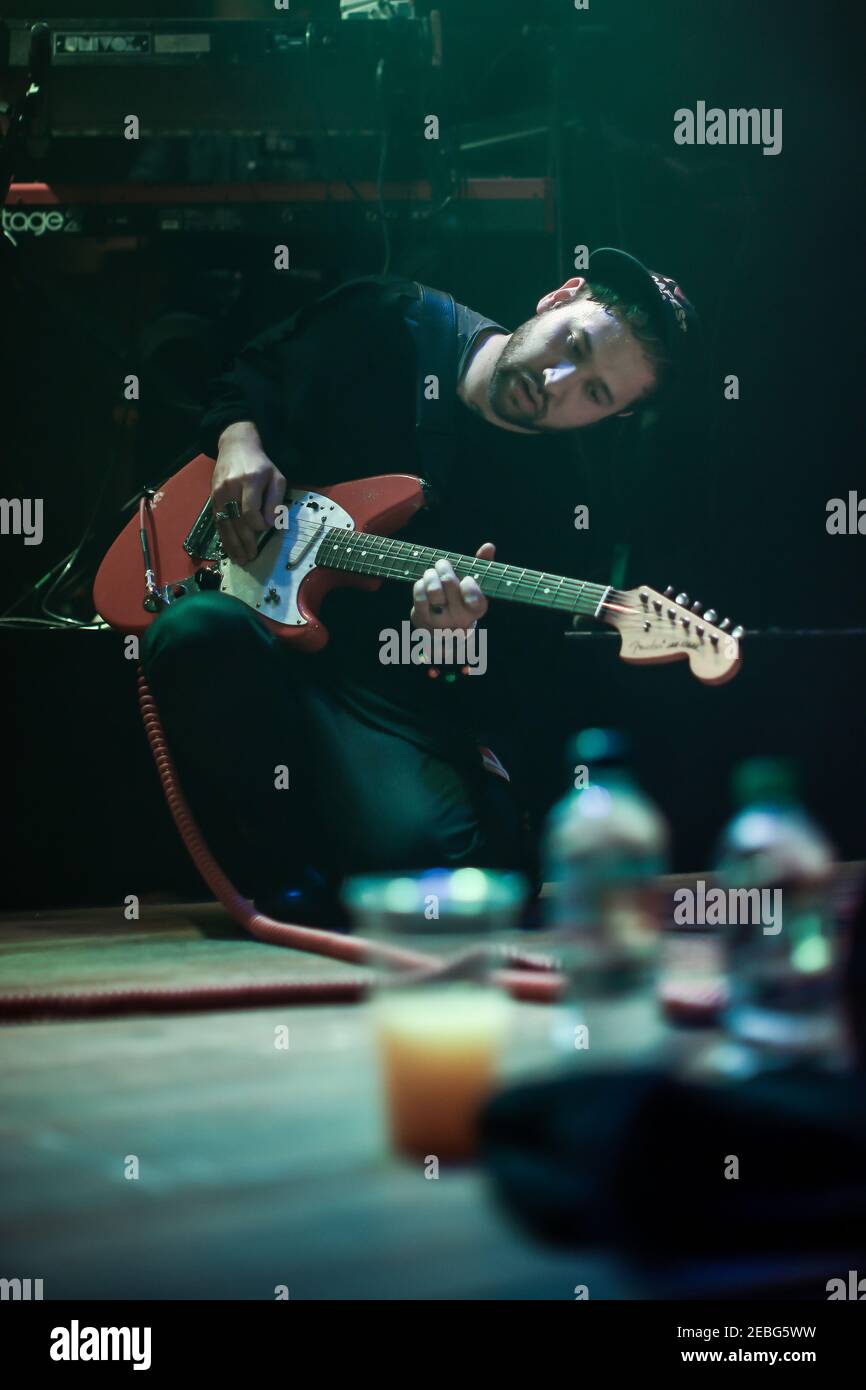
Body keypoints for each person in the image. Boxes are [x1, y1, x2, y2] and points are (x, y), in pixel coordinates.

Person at [140, 248, 701, 919]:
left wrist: (450, 650)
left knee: (443, 866)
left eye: (596, 393)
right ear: (559, 296)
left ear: (611, 418)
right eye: (574, 346)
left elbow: (508, 694)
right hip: (249, 622)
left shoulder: (564, 503)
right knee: (192, 633)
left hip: (380, 695)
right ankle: (287, 869)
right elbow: (248, 372)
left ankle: (368, 842)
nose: (558, 381)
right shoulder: (390, 319)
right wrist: (239, 443)